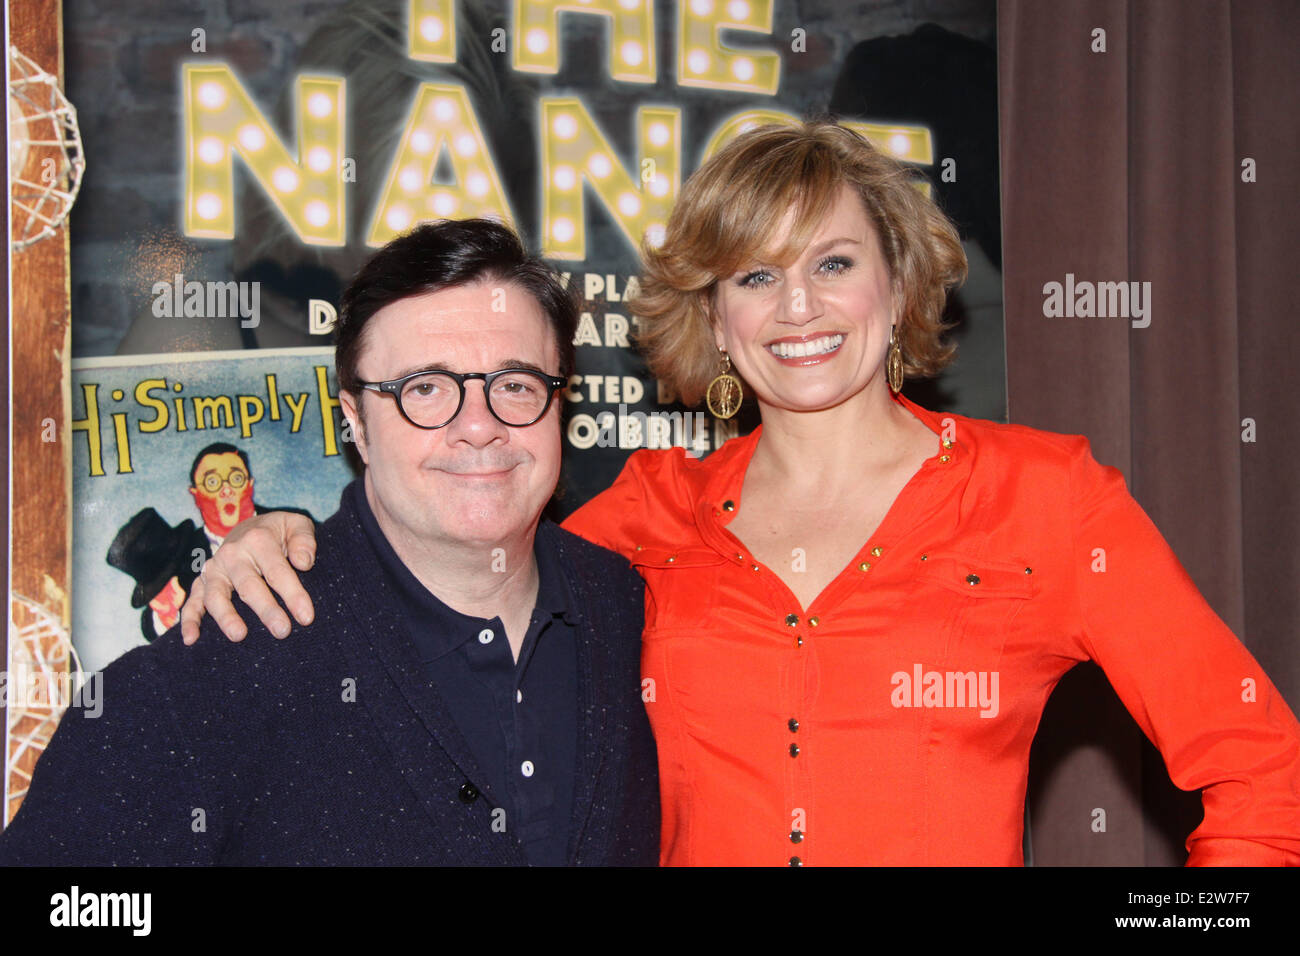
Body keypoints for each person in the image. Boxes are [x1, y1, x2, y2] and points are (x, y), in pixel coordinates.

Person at [180, 121, 1300, 867]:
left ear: (897, 280)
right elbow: (446, 559)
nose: (795, 305)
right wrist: (289, 536)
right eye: (754, 276)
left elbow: (1265, 772)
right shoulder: (639, 517)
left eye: (833, 262)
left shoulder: (1048, 498)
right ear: (715, 318)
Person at [1, 219, 659, 865]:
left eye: (514, 385)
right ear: (356, 421)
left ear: (559, 401)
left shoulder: (626, 608)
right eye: (425, 389)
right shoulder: (225, 664)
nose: (478, 426)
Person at [106, 442, 312, 641]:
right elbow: (152, 626)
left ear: (249, 485)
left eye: (236, 478)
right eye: (212, 482)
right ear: (195, 495)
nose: (226, 490)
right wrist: (166, 612)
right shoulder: (180, 558)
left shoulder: (292, 523)